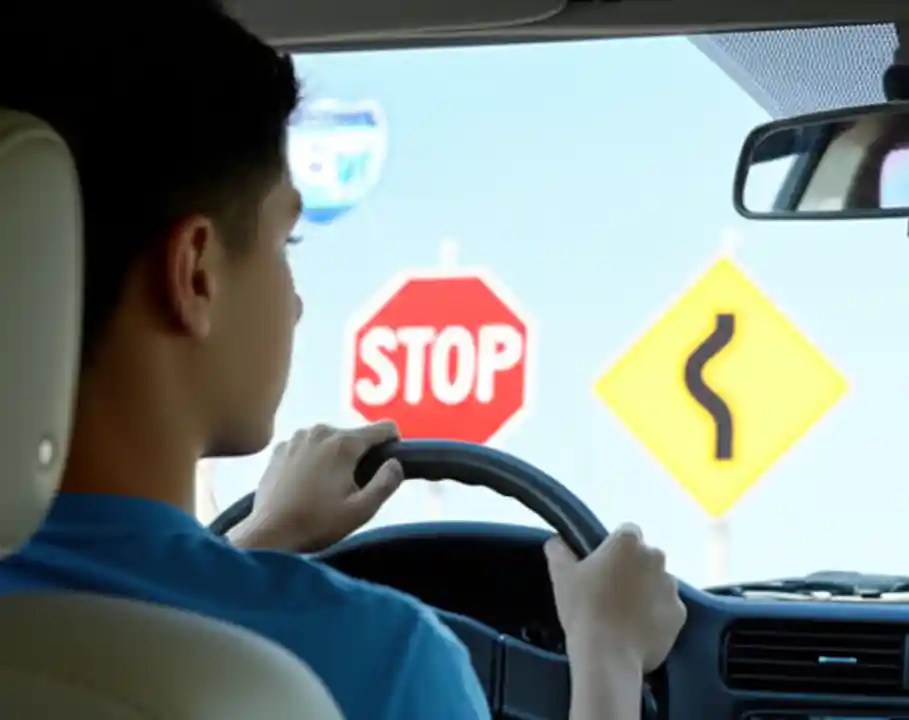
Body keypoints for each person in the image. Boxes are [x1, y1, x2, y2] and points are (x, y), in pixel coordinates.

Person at [0, 3, 686, 719]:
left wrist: (259, 541)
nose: (297, 304)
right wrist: (609, 655)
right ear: (196, 273)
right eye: (284, 245)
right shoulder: (378, 661)